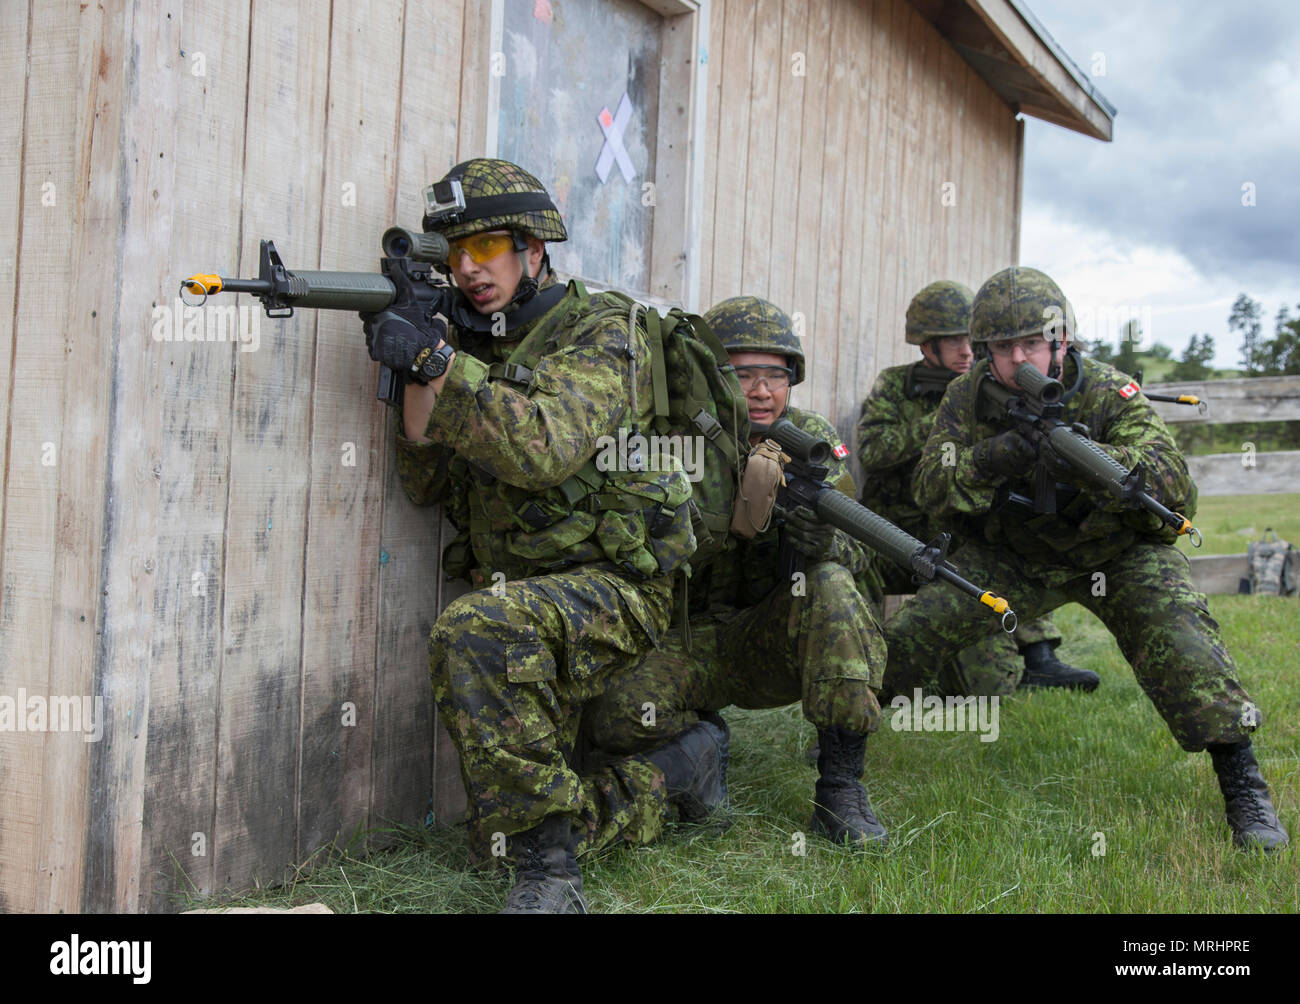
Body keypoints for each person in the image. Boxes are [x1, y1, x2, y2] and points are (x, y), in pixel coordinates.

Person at [368, 158, 727, 912]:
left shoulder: (606, 332)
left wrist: (439, 360)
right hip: (531, 598)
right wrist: (414, 367)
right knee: (489, 838)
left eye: (487, 247)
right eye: (455, 254)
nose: (468, 269)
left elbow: (544, 445)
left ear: (534, 248)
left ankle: (551, 880)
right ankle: (673, 773)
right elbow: (425, 483)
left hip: (620, 590)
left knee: (475, 631)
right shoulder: (473, 342)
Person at [881, 266, 1288, 851]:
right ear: (984, 351)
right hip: (1014, 557)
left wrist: (1096, 461)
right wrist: (997, 456)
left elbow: (1174, 485)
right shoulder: (965, 398)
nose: (1018, 358)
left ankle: (1243, 784)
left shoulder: (1106, 389)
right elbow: (929, 484)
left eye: (1033, 344)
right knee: (916, 632)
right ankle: (841, 752)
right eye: (1003, 347)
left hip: (1117, 552)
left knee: (1185, 643)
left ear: (1061, 341)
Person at [584, 296, 891, 847]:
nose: (762, 389)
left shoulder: (811, 441)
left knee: (831, 583)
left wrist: (828, 543)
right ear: (713, 375)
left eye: (776, 374)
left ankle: (841, 787)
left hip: (767, 640)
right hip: (684, 640)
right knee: (614, 718)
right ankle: (702, 743)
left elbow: (862, 548)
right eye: (743, 373)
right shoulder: (668, 437)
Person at [856, 280, 1098, 695]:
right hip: (901, 537)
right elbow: (874, 450)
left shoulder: (992, 389)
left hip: (964, 536)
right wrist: (941, 419)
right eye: (952, 342)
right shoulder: (899, 385)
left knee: (988, 684)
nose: (966, 351)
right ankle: (860, 670)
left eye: (970, 341)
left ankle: (1041, 658)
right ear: (926, 346)